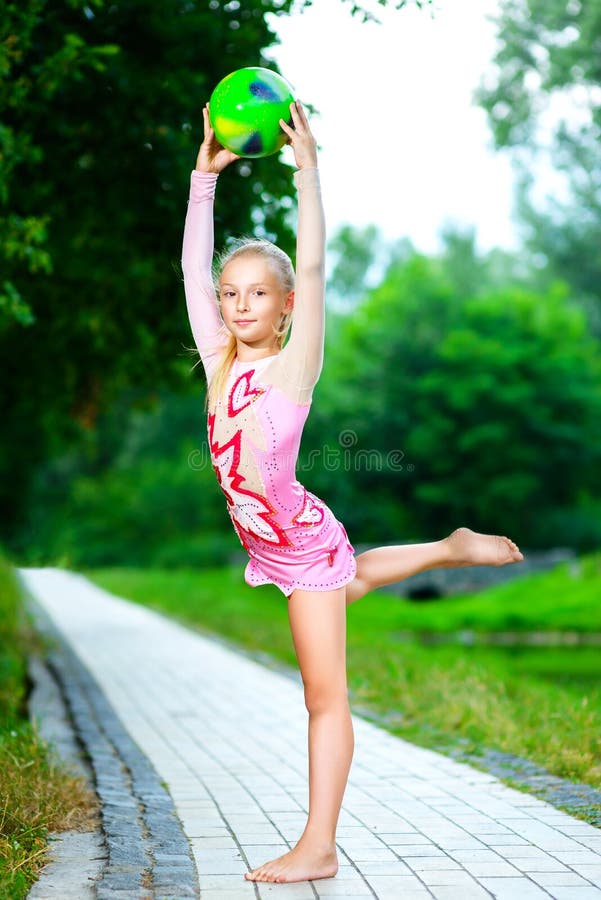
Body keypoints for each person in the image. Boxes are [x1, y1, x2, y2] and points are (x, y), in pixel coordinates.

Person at [181, 99, 524, 885]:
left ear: (285, 308)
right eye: (230, 294)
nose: (238, 305)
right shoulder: (219, 357)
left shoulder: (291, 370)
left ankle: (319, 845)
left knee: (323, 696)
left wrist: (307, 172)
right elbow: (191, 273)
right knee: (355, 579)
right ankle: (449, 547)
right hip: (277, 541)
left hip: (299, 546)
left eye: (256, 295)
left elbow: (310, 268)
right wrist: (203, 181)